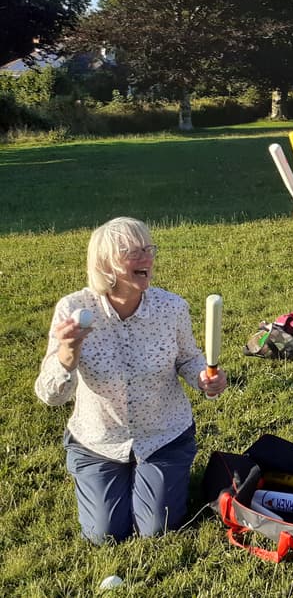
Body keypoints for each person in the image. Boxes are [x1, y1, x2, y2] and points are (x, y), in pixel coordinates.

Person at [35, 217, 228, 544]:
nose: (146, 258)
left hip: (164, 436)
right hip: (98, 441)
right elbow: (51, 396)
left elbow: (187, 357)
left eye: (148, 249)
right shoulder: (74, 309)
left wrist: (203, 377)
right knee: (105, 535)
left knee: (157, 530)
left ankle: (161, 478)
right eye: (132, 252)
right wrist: (68, 353)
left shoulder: (172, 307)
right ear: (104, 263)